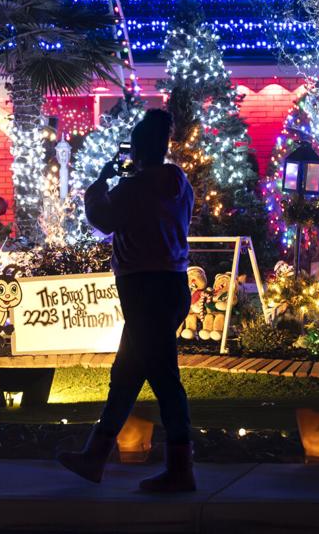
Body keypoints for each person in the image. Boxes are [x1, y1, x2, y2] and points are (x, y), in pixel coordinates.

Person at [57, 109, 197, 493]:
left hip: (143, 290)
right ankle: (95, 456)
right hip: (172, 284)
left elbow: (102, 218)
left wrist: (102, 182)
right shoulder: (180, 183)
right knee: (126, 375)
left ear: (136, 150)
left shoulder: (132, 189)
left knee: (165, 380)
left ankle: (181, 469)